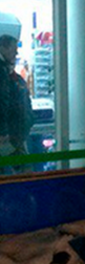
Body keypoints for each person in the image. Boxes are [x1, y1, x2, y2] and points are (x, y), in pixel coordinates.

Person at [0, 34, 33, 170]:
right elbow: (2, 102)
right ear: (3, 48)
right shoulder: (2, 73)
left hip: (14, 135)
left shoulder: (8, 73)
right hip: (10, 137)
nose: (16, 53)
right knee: (21, 177)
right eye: (13, 49)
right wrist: (3, 132)